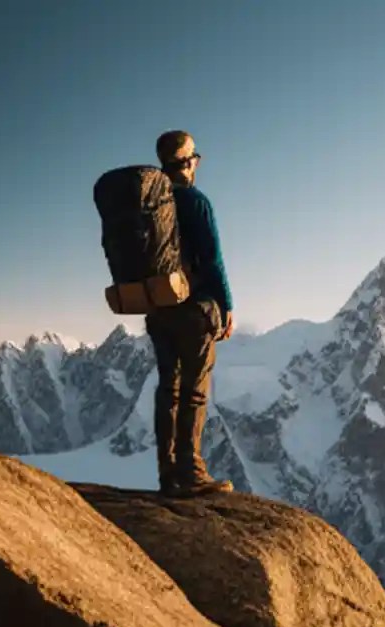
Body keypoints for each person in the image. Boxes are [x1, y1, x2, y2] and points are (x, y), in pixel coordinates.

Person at [147, 129, 236, 497]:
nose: (197, 162)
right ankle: (191, 472)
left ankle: (168, 474)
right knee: (194, 391)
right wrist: (226, 305)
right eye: (194, 156)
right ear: (185, 163)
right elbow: (213, 259)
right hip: (192, 310)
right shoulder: (195, 201)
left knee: (167, 388)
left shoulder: (149, 203)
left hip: (156, 308)